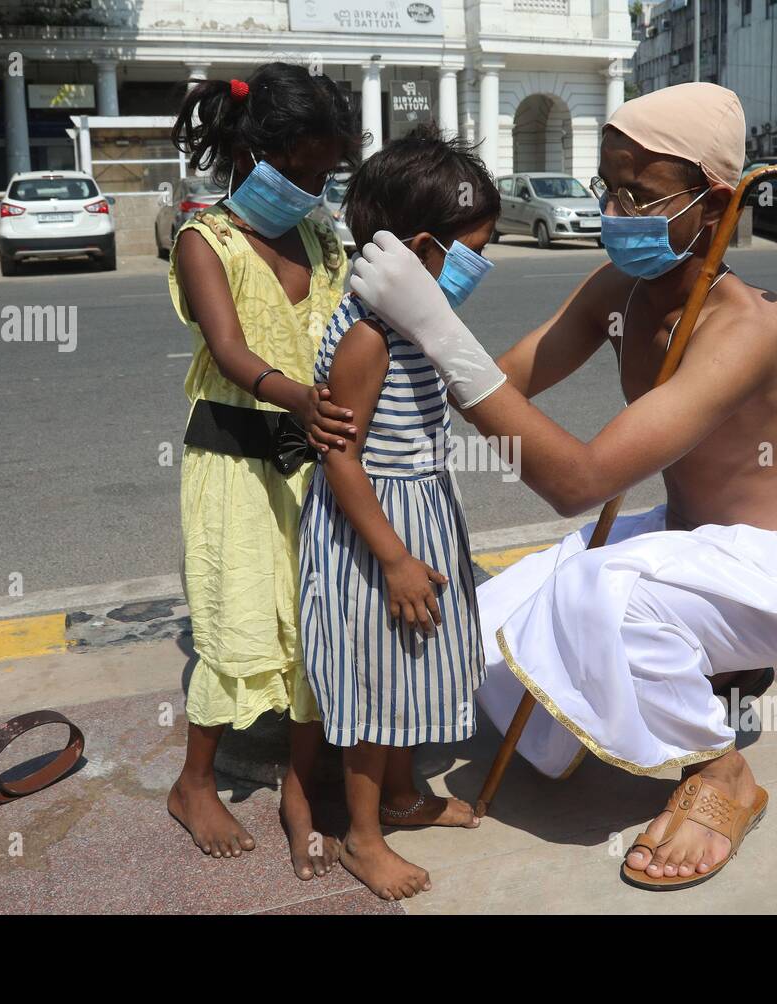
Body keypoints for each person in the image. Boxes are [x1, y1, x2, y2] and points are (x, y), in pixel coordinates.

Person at [338, 83, 777, 890]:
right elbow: (505, 378)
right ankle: (623, 707)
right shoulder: (621, 289)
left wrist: (440, 332)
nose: (616, 210)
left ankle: (722, 774)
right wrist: (367, 381)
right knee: (494, 620)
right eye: (607, 188)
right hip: (681, 545)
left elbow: (577, 481)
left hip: (774, 571)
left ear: (715, 204)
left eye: (640, 195)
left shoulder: (748, 326)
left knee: (598, 592)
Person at [165, 63, 361, 880]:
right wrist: (301, 400)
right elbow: (231, 349)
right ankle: (194, 781)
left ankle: (298, 789)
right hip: (237, 465)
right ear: (251, 153)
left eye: (325, 176)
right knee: (237, 620)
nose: (312, 188)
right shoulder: (202, 240)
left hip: (310, 464)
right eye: (301, 172)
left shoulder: (320, 237)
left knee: (314, 626)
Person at [298, 127, 497, 901]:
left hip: (418, 511)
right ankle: (362, 834)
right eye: (476, 249)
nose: (486, 263)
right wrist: (393, 558)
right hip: (371, 529)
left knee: (410, 667)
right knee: (374, 683)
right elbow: (340, 458)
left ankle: (406, 795)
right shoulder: (369, 339)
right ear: (421, 247)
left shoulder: (415, 324)